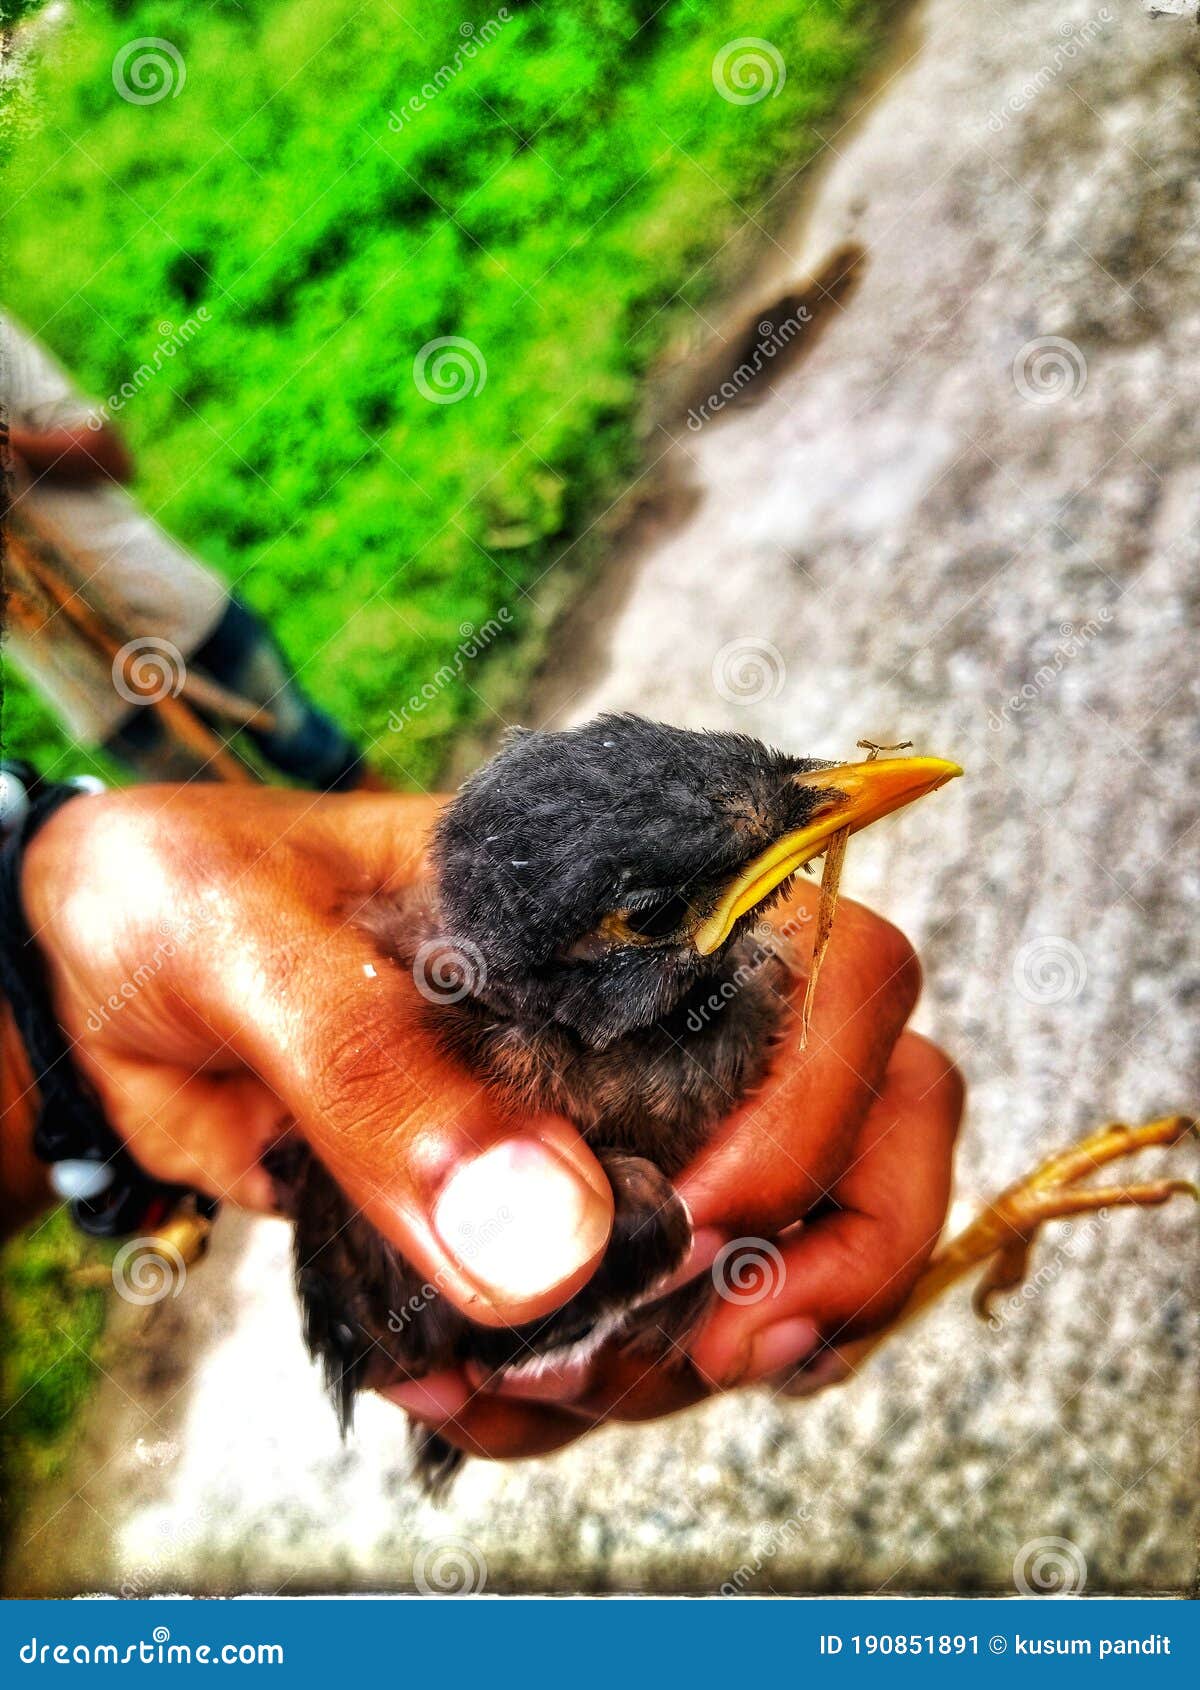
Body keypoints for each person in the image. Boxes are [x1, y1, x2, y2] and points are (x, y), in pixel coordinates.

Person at [0, 779, 963, 1463]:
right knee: (734, 1310)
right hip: (466, 1336)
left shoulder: (723, 980)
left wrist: (42, 934)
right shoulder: (607, 1171)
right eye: (653, 911)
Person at [2, 313, 373, 790]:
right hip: (100, 693)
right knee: (236, 840)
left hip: (181, 608)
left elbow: (108, 453)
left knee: (321, 756)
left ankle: (433, 858)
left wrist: (14, 444)